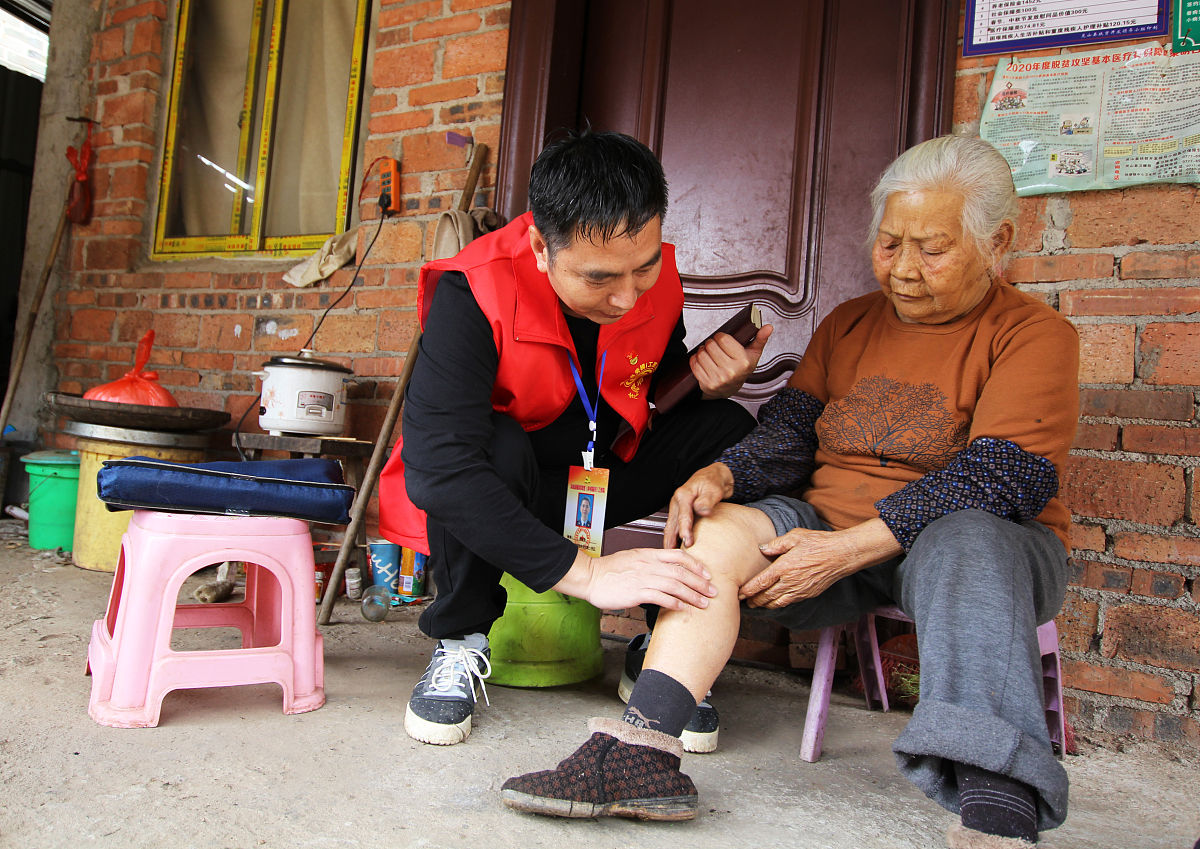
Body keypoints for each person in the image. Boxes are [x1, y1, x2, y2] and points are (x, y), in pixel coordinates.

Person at [500, 134, 1079, 849]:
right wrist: (723, 475)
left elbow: (1000, 476)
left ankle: (998, 807)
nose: (903, 269)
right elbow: (791, 433)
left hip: (973, 546)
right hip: (827, 530)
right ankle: (641, 749)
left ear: (999, 243)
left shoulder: (1034, 334)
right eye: (889, 243)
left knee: (970, 540)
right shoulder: (848, 323)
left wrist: (846, 548)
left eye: (931, 248)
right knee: (719, 531)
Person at [377, 130, 773, 748]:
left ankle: (667, 649)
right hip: (511, 491)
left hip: (597, 477)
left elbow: (645, 389)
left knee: (729, 436)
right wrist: (588, 575)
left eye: (642, 268)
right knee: (492, 446)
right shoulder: (473, 290)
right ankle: (459, 640)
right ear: (540, 245)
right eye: (599, 278)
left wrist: (706, 384)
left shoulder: (652, 279)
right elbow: (440, 467)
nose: (625, 296)